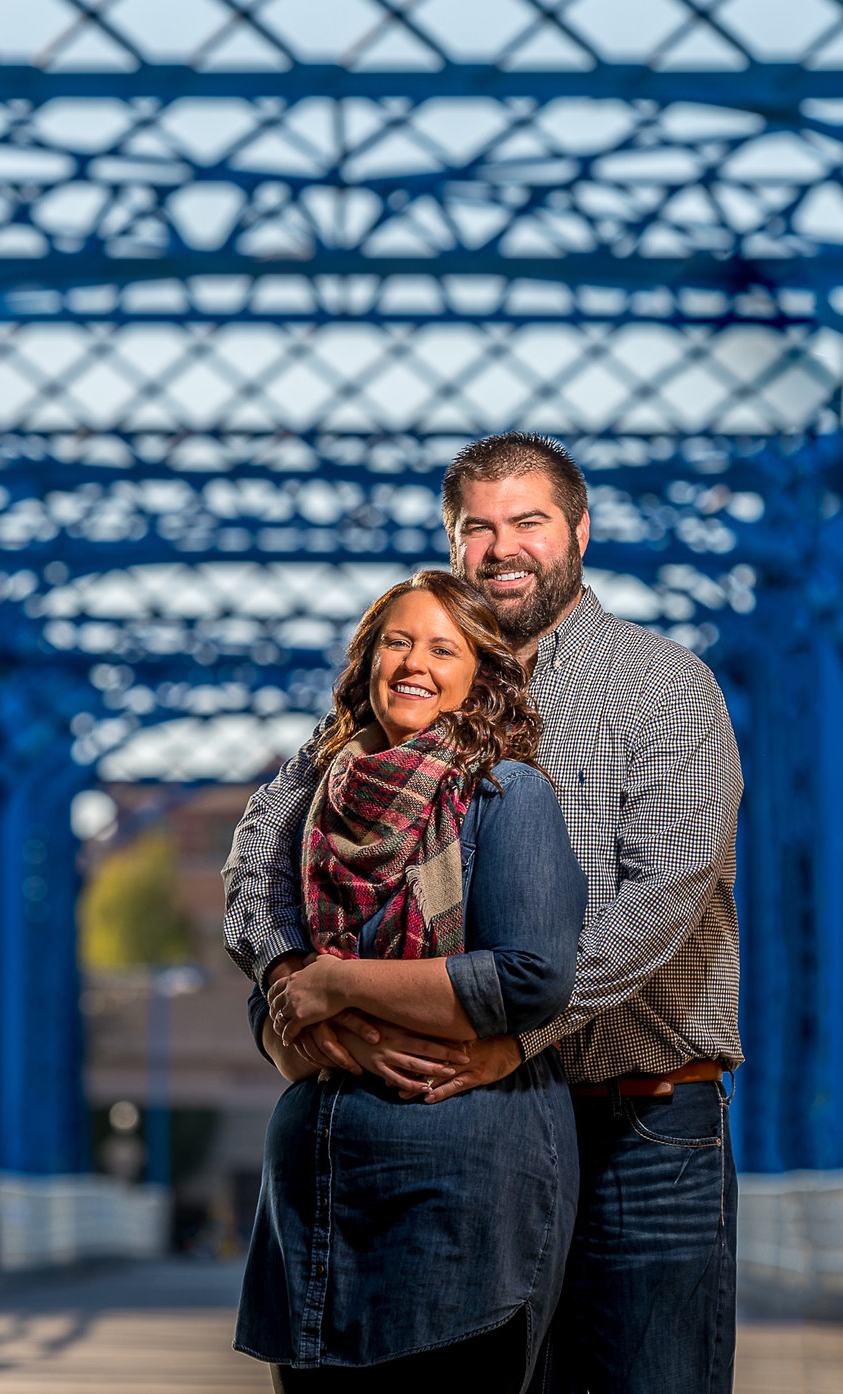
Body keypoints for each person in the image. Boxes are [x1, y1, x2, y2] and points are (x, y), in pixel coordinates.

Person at [225, 434, 744, 1394]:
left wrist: (512, 1032)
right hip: (477, 1126)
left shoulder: (663, 686)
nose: (502, 548)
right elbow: (264, 847)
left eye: (529, 523)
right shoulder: (415, 688)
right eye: (477, 528)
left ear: (579, 532)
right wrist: (289, 984)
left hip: (639, 1124)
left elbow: (662, 896)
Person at [235, 570, 585, 1393]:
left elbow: (531, 976)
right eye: (396, 642)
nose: (413, 664)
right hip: (317, 1194)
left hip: (456, 1203)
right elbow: (274, 991)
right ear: (365, 662)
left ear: (481, 676)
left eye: (442, 648)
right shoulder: (307, 805)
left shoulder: (505, 796)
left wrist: (339, 986)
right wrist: (308, 1026)